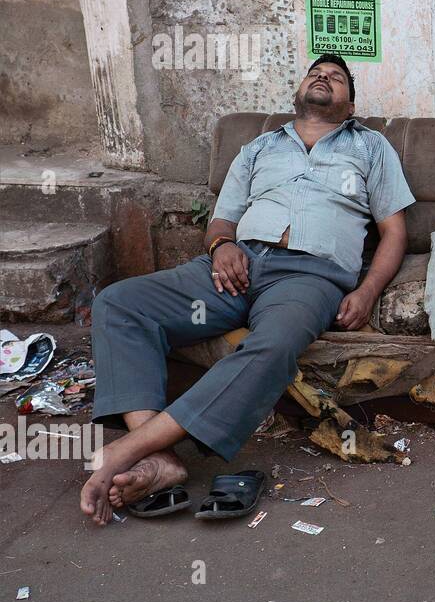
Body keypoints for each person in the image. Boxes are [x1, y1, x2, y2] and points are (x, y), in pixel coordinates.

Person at [81, 54, 415, 524]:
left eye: (336, 77)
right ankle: (163, 460)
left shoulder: (371, 147)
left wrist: (368, 291)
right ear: (298, 93)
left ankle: (130, 449)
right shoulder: (259, 148)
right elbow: (223, 218)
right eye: (315, 73)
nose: (323, 76)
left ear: (350, 105)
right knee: (119, 303)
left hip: (310, 277)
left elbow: (394, 232)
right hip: (234, 268)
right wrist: (220, 246)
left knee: (274, 346)